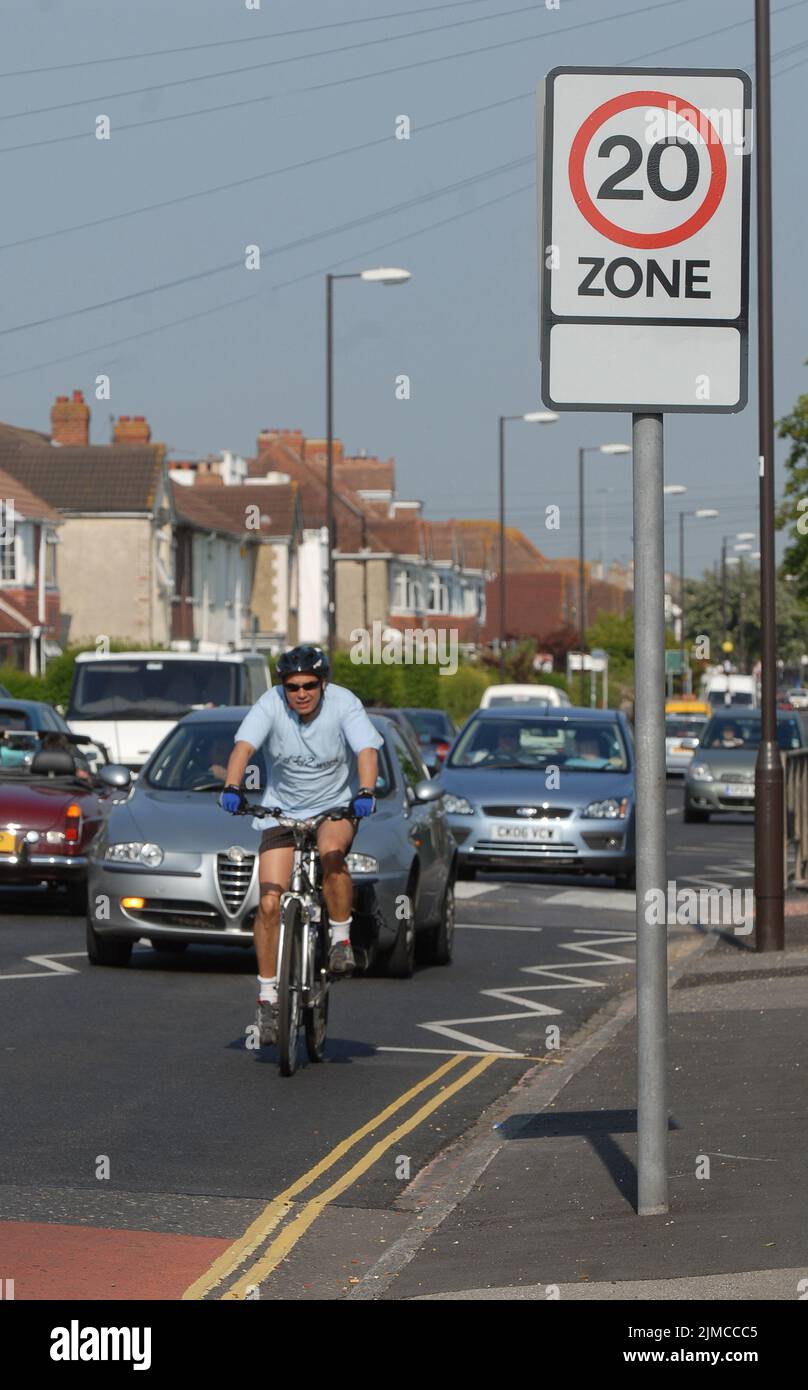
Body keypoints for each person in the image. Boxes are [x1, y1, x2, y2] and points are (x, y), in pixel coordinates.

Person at [219, 645, 383, 1047]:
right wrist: (232, 786)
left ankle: (341, 940)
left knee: (331, 856)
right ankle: (268, 998)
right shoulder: (270, 704)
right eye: (292, 687)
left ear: (323, 683)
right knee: (271, 902)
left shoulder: (344, 703)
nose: (301, 693)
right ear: (283, 687)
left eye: (310, 685)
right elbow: (244, 748)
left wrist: (364, 790)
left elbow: (366, 750)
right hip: (281, 811)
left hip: (334, 808)